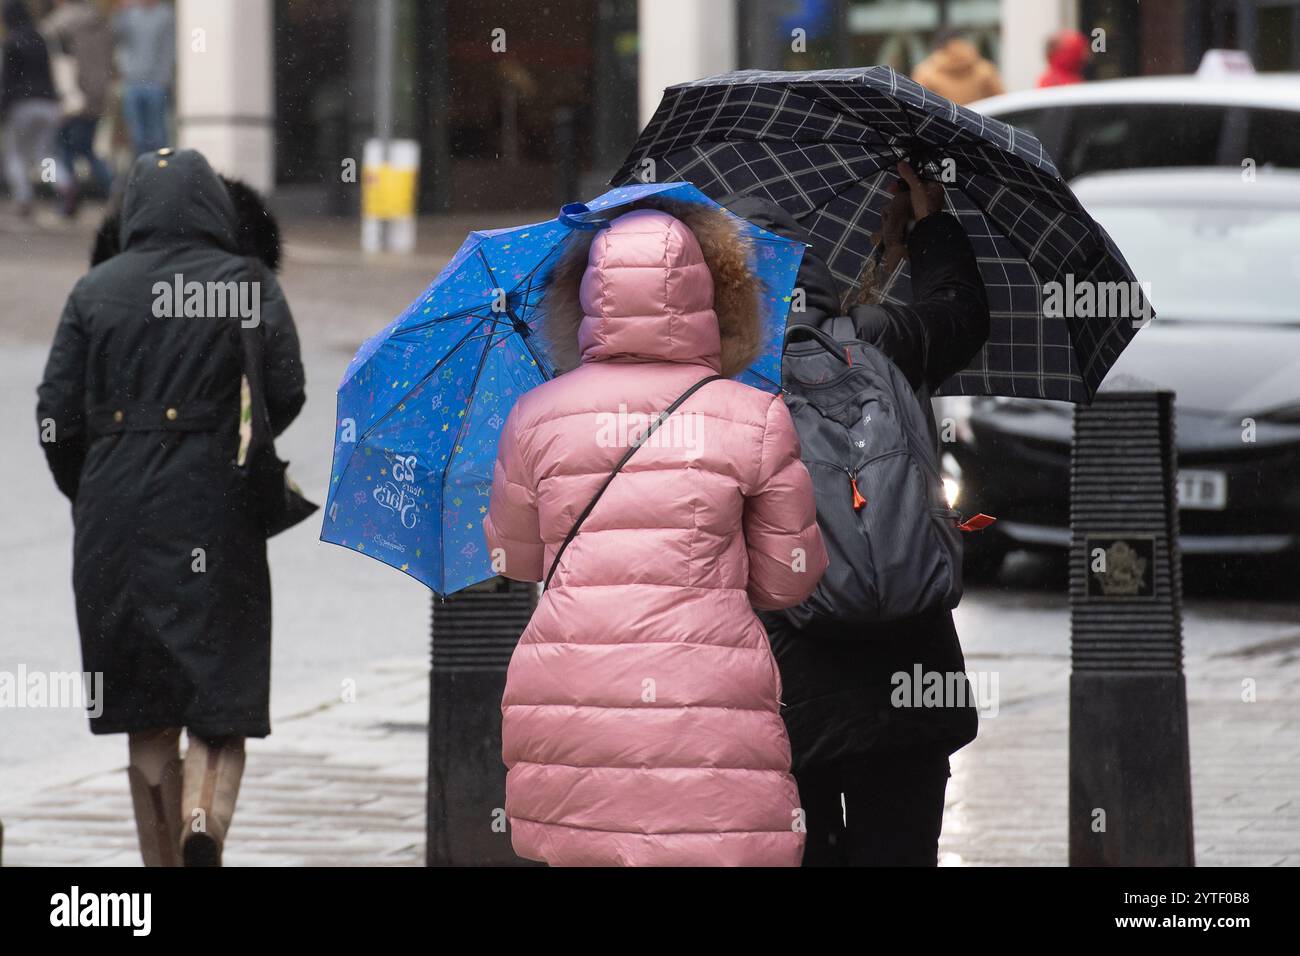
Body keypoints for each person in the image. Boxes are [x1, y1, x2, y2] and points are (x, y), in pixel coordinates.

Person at [484, 200, 829, 867]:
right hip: (707, 698)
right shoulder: (754, 416)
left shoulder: (534, 414)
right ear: (712, 295)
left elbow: (516, 558)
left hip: (571, 692)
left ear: (585, 296)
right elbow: (789, 579)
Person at [36, 148, 305, 866]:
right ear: (215, 209)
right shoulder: (244, 283)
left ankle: (159, 861)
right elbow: (287, 387)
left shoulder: (94, 291)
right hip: (216, 506)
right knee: (219, 694)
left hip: (114, 518)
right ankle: (201, 823)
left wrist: (92, 486)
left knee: (143, 705)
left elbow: (54, 413)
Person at [727, 162, 991, 866]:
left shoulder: (712, 380)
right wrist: (927, 225)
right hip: (910, 674)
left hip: (781, 688)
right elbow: (962, 309)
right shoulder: (881, 340)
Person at [1, 0, 73, 215]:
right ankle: (61, 183)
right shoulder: (41, 38)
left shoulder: (11, 42)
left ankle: (24, 197)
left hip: (21, 105)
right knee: (46, 156)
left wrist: (3, 108)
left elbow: (7, 80)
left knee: (15, 155)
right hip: (48, 104)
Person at [42, 0, 115, 201]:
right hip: (98, 94)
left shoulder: (59, 23)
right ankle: (114, 192)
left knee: (64, 148)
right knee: (86, 148)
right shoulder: (101, 22)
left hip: (72, 96)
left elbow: (52, 58)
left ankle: (67, 197)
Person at [112, 0, 173, 155]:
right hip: (132, 82)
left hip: (156, 83)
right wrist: (121, 12)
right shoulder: (131, 14)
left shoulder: (165, 15)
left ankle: (161, 173)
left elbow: (169, 48)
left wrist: (163, 78)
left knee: (158, 136)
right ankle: (143, 174)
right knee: (137, 137)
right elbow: (116, 35)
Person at [911, 28, 1004, 105]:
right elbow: (1001, 102)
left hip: (943, 125)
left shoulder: (925, 72)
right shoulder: (984, 69)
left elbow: (917, 103)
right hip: (979, 124)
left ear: (938, 47)